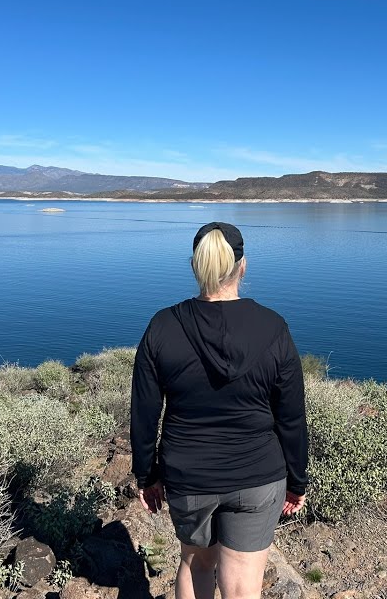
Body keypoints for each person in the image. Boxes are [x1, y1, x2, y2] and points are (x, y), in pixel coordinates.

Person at [131, 221, 309, 599]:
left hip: (187, 474)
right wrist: (297, 481)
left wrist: (146, 475)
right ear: (242, 266)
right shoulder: (273, 327)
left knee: (196, 564)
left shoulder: (162, 327)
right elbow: (291, 417)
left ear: (196, 265)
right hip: (259, 475)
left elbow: (145, 414)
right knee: (244, 579)